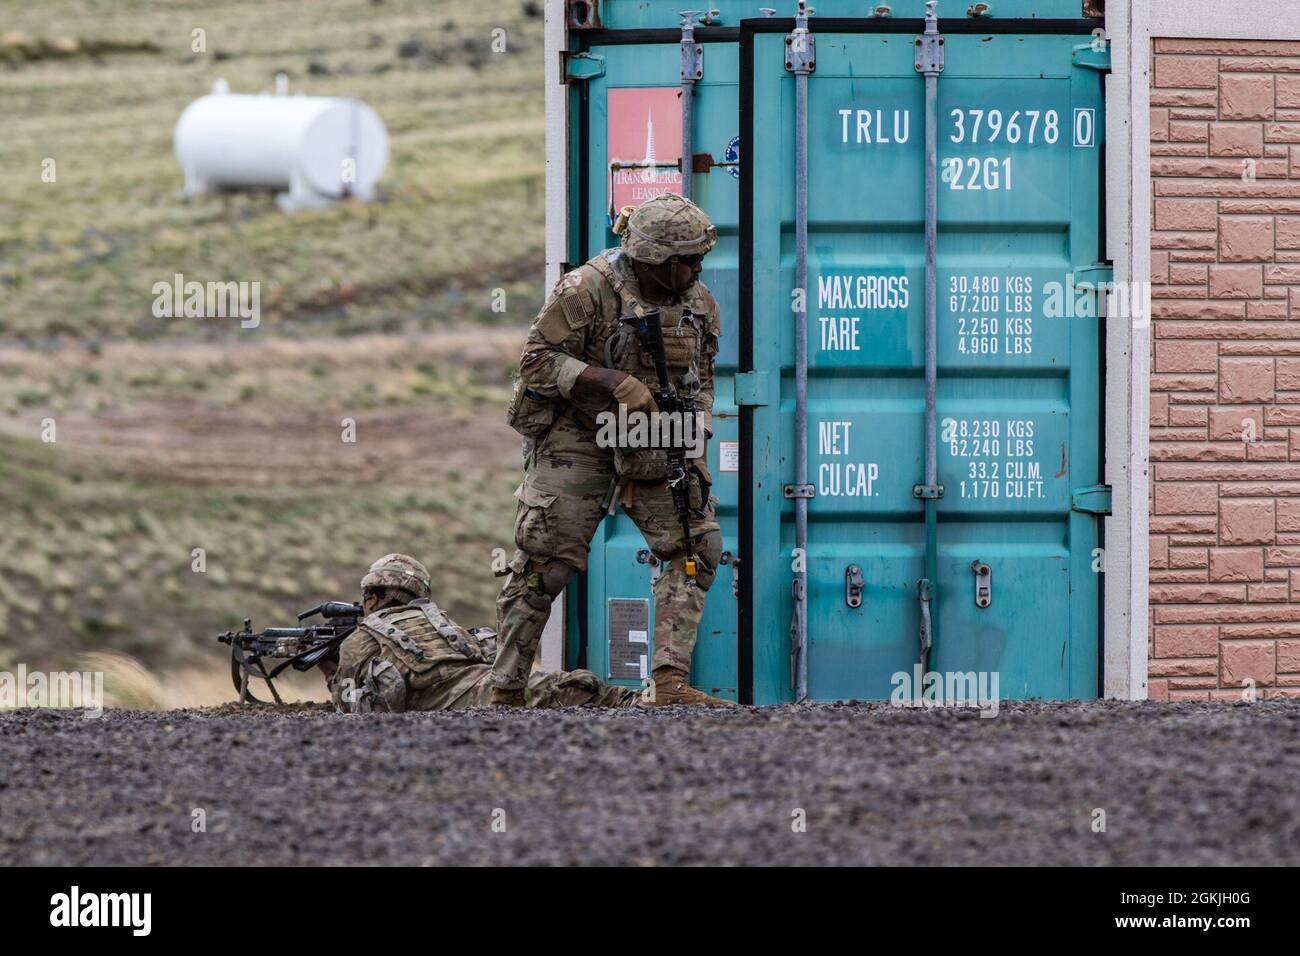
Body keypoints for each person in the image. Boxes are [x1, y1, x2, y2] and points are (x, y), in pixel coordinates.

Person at [491, 193, 727, 708]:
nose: (698, 269)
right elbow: (535, 361)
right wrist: (610, 380)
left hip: (653, 437)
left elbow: (702, 377)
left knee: (696, 550)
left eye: (698, 259)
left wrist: (692, 437)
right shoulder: (587, 291)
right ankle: (505, 690)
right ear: (656, 261)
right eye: (688, 260)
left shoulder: (699, 303)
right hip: (581, 435)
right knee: (544, 563)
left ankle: (667, 685)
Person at [321, 554, 637, 712]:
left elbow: (348, 705)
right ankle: (642, 701)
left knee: (566, 689)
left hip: (475, 697)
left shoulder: (361, 638)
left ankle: (639, 702)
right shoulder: (437, 620)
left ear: (374, 596)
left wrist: (329, 672)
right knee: (574, 687)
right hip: (489, 683)